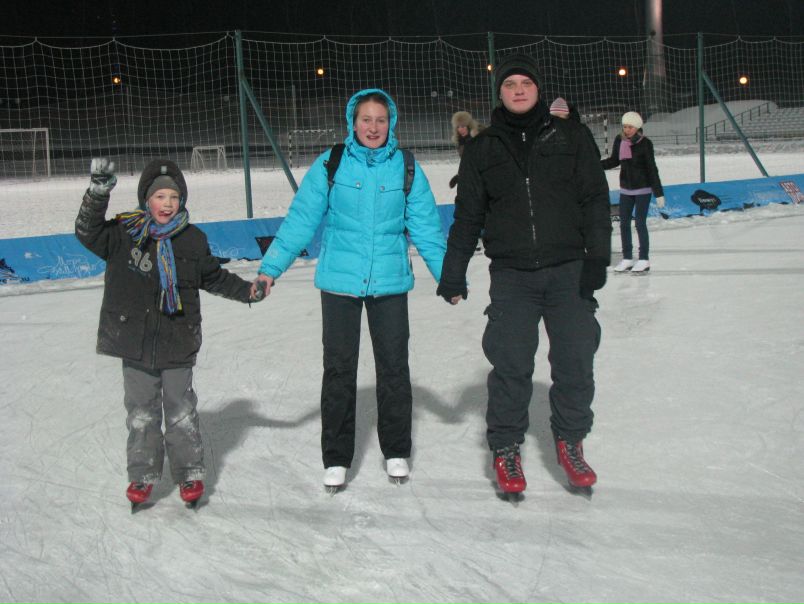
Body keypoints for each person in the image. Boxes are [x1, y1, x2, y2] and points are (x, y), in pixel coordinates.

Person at [252, 89, 446, 490]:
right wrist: (270, 269)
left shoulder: (406, 167)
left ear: (391, 123)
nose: (373, 127)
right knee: (339, 369)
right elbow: (301, 220)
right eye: (366, 120)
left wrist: (449, 277)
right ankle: (337, 457)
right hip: (340, 283)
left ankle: (396, 451)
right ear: (352, 123)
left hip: (389, 281)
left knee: (394, 368)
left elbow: (426, 228)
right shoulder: (332, 163)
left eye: (380, 120)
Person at [436, 54, 611, 495]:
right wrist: (453, 271)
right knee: (511, 365)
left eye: (525, 83)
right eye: (509, 84)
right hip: (513, 276)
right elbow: (468, 215)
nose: (518, 90)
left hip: (569, 270)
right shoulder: (483, 147)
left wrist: (597, 257)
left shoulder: (571, 136)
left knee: (575, 362)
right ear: (499, 92)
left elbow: (594, 198)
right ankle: (506, 448)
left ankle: (571, 442)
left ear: (538, 89)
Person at [75, 157, 261, 509]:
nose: (167, 204)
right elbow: (87, 232)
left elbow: (214, 277)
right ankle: (142, 474)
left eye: (174, 197)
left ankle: (190, 472)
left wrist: (247, 291)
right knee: (142, 412)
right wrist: (98, 193)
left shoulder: (192, 240)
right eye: (160, 196)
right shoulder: (125, 232)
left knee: (180, 411)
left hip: (178, 339)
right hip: (134, 340)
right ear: (146, 200)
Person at [601, 111, 665, 273]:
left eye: (630, 127)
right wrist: (596, 165)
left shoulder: (645, 143)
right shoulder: (619, 140)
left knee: (640, 223)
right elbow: (614, 160)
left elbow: (651, 168)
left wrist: (658, 192)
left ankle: (644, 259)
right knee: (623, 223)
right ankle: (627, 258)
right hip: (626, 189)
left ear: (637, 127)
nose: (627, 130)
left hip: (643, 189)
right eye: (624, 126)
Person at [448, 111, 483, 189]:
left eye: (463, 126)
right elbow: (466, 163)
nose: (460, 129)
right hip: (473, 176)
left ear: (469, 126)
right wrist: (460, 176)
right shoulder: (461, 142)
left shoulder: (479, 139)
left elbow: (479, 163)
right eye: (458, 127)